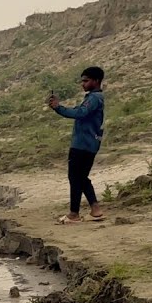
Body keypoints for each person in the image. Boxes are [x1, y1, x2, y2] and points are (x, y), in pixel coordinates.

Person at [48, 66, 106, 224]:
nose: (83, 84)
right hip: (90, 144)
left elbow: (80, 113)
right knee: (81, 177)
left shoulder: (94, 98)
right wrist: (59, 108)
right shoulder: (94, 98)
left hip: (82, 145)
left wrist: (58, 108)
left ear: (96, 81)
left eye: (86, 81)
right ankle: (96, 210)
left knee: (75, 178)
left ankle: (74, 214)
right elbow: (80, 111)